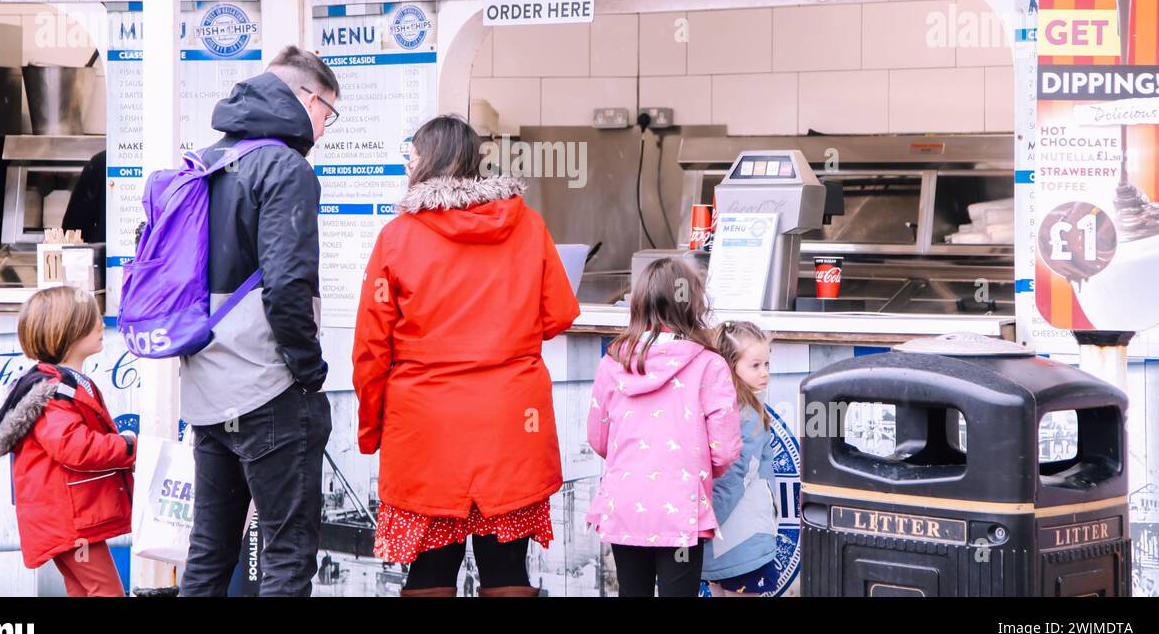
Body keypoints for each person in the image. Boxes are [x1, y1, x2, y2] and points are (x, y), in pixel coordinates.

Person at [353, 114, 580, 597]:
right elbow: (560, 313)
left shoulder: (397, 237)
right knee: (507, 569)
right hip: (512, 425)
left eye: (410, 154)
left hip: (426, 431)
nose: (407, 163)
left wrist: (373, 429)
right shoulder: (528, 224)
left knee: (430, 570)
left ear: (428, 162)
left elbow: (371, 349)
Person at [179, 45, 340, 597]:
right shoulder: (285, 167)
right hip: (269, 390)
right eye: (327, 113)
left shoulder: (206, 160)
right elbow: (288, 284)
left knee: (208, 552)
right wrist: (308, 371)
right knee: (287, 557)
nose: (324, 128)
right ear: (305, 97)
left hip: (206, 385)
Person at [584, 257, 742, 597]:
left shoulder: (613, 362)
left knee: (632, 590)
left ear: (638, 302)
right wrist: (697, 468)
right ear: (693, 304)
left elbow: (598, 438)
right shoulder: (709, 365)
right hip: (680, 507)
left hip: (624, 504)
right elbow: (725, 448)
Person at [0, 286, 136, 597]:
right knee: (106, 592)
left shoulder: (63, 383)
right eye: (91, 321)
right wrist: (129, 446)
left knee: (82, 591)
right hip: (69, 518)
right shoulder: (52, 392)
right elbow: (76, 448)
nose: (101, 325)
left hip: (69, 516)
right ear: (65, 332)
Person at [703, 321, 781, 596]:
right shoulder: (747, 413)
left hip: (720, 539)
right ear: (729, 365)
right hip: (741, 536)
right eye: (756, 365)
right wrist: (708, 520)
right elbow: (737, 474)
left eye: (767, 364)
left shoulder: (715, 405)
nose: (765, 373)